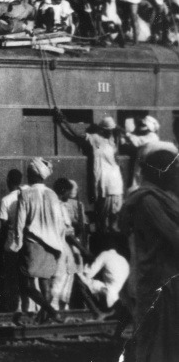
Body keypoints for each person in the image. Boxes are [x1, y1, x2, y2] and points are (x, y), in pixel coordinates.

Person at [118, 142, 179, 362]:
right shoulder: (148, 201)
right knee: (158, 348)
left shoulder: (160, 199)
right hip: (159, 286)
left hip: (164, 284)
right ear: (162, 172)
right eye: (174, 169)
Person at [8, 157, 65, 324]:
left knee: (26, 284)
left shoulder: (25, 194)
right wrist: (58, 244)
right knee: (45, 282)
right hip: (53, 244)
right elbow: (59, 222)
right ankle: (44, 320)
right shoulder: (52, 194)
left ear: (32, 174)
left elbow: (20, 222)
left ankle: (51, 311)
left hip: (33, 243)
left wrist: (17, 244)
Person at [55, 111, 124, 234]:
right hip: (110, 183)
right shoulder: (101, 139)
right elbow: (76, 134)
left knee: (108, 221)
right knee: (107, 221)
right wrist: (64, 122)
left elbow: (75, 134)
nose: (110, 132)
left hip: (110, 183)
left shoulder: (108, 139)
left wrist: (64, 122)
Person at [0, 169, 30, 316]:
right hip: (27, 243)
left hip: (12, 245)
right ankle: (27, 307)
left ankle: (15, 308)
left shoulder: (6, 200)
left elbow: (3, 227)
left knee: (12, 278)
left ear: (8, 181)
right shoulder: (27, 193)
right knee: (25, 277)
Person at [51, 178, 83, 310]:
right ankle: (54, 313)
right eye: (68, 192)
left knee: (65, 282)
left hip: (66, 251)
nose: (69, 195)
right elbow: (64, 231)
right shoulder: (56, 207)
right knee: (58, 283)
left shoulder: (60, 206)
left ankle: (62, 312)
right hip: (61, 249)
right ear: (63, 191)